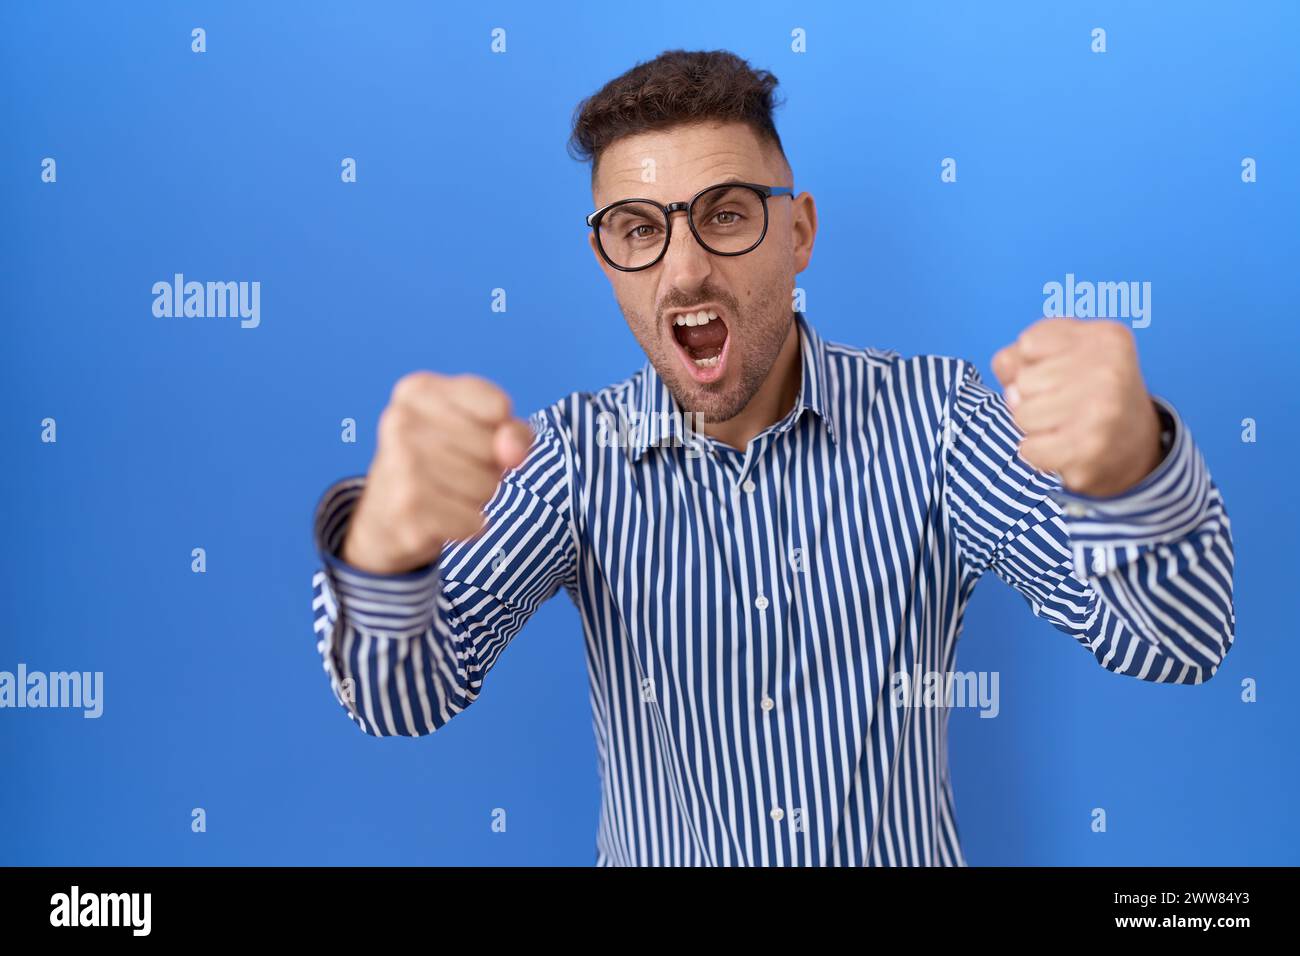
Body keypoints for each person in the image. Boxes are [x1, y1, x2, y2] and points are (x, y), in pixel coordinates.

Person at [309, 49, 1235, 866]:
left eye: (724, 214)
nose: (683, 270)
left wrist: (1131, 479)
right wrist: (386, 554)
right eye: (638, 229)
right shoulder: (566, 459)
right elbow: (402, 700)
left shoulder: (941, 422)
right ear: (606, 262)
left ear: (797, 235)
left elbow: (1177, 643)